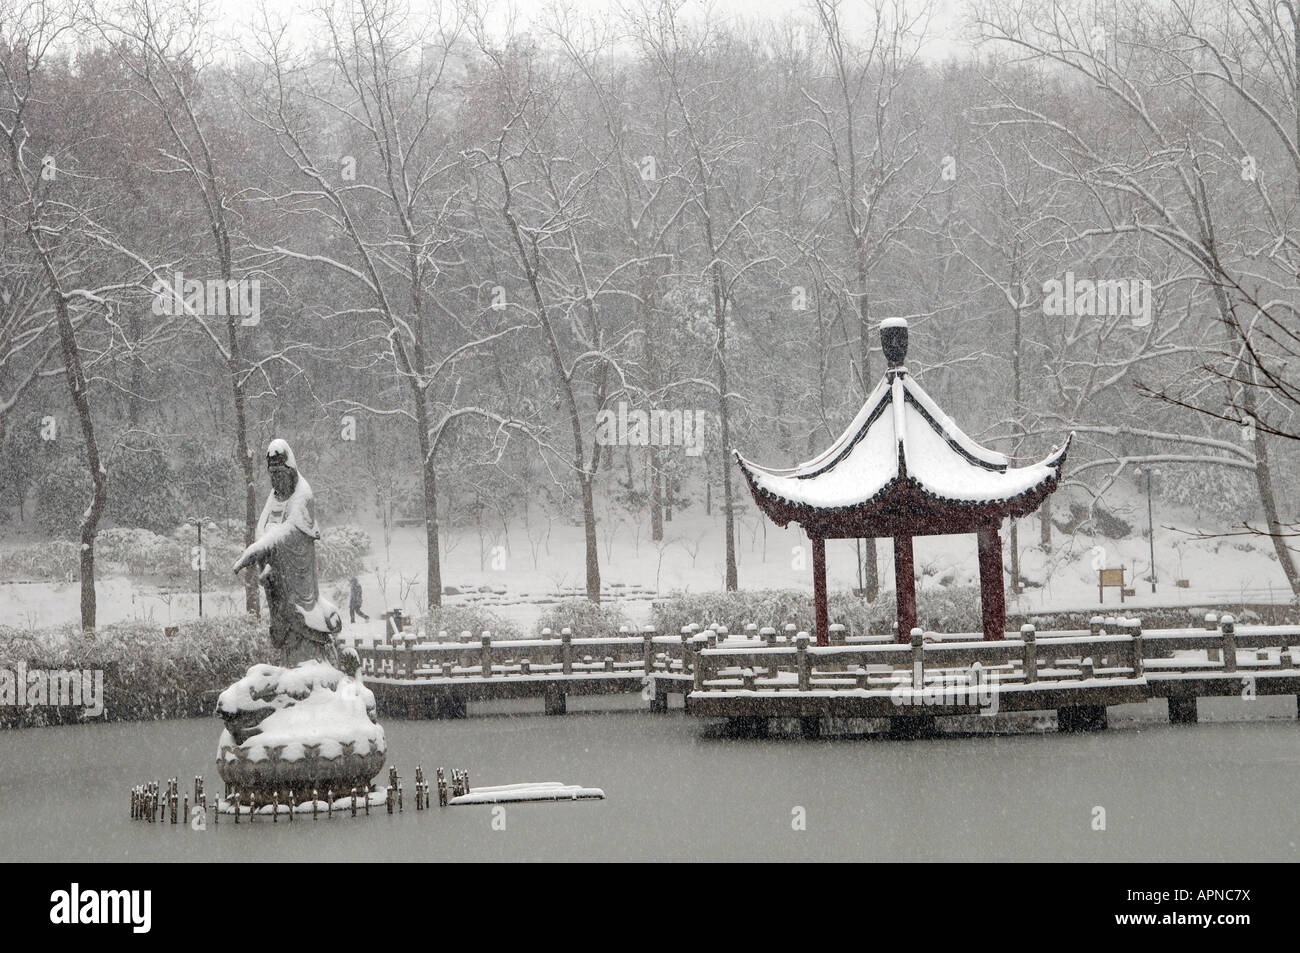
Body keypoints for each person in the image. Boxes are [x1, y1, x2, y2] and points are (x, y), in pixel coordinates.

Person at [233, 439, 343, 666]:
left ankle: (310, 663)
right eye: (272, 475)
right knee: (281, 620)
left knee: (298, 616)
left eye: (280, 474)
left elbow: (292, 530)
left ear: (290, 471)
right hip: (277, 576)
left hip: (298, 580)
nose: (276, 480)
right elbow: (262, 529)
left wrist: (261, 547)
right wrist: (262, 553)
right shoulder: (273, 498)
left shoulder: (303, 494)